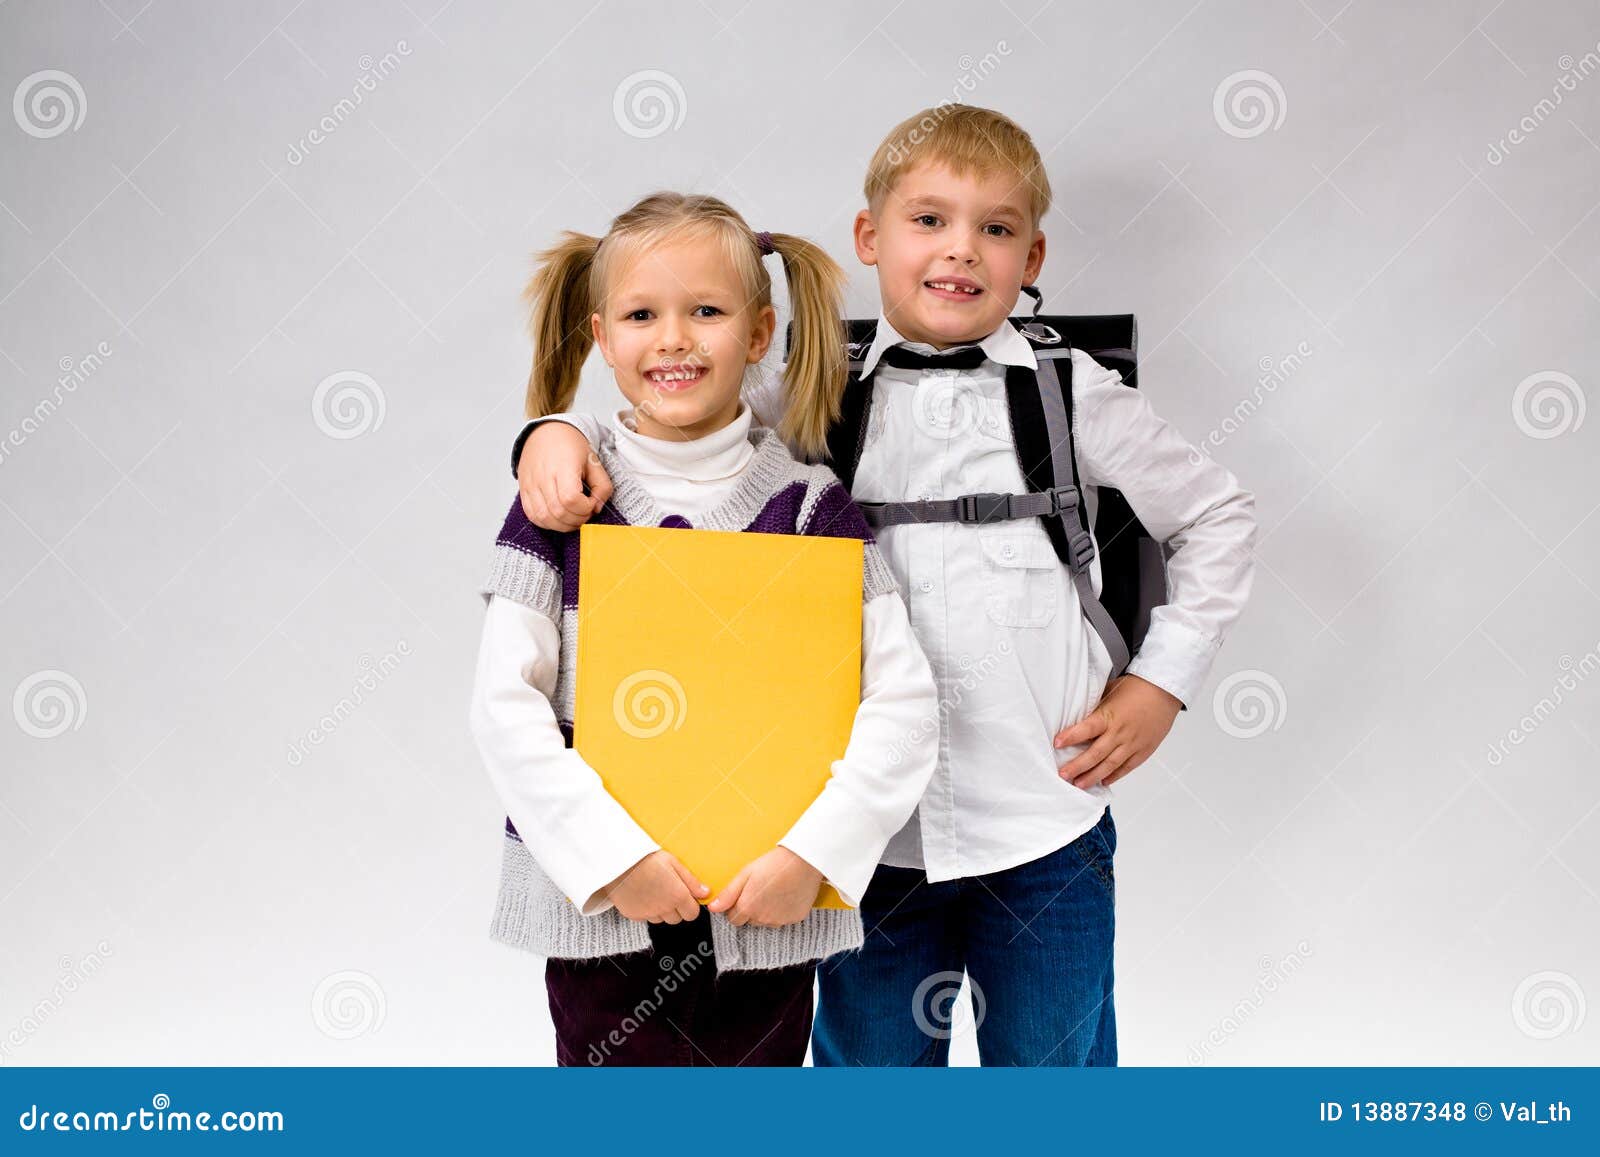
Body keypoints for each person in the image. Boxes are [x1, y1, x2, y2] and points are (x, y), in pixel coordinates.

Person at [509, 107, 1258, 1066]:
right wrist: (550, 437)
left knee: (1057, 1073)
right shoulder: (813, 386)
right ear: (870, 238)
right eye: (929, 220)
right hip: (861, 843)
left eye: (995, 229)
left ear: (1033, 254)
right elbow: (676, 425)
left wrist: (1162, 681)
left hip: (1047, 823)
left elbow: (1216, 515)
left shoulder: (1070, 394)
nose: (961, 251)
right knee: (870, 1081)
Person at [469, 190, 939, 1066]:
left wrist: (814, 853)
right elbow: (505, 707)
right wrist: (611, 858)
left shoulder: (811, 512)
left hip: (766, 903)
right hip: (602, 916)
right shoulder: (561, 505)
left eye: (707, 312)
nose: (675, 339)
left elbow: (901, 702)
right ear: (604, 338)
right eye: (643, 314)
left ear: (758, 334)